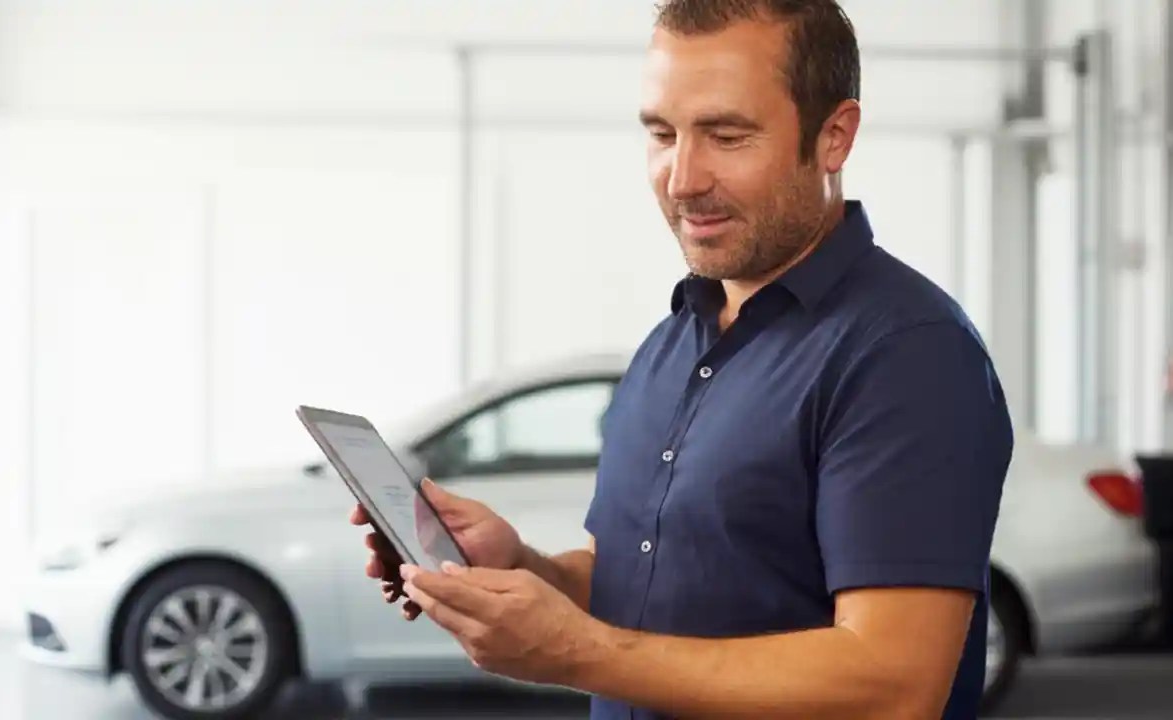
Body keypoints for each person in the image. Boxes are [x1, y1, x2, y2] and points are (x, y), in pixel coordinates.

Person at [352, 1, 1014, 718]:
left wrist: (574, 652)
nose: (682, 178)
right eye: (663, 134)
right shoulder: (673, 343)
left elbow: (892, 686)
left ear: (834, 137)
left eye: (726, 136)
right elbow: (649, 580)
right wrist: (524, 568)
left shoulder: (904, 352)